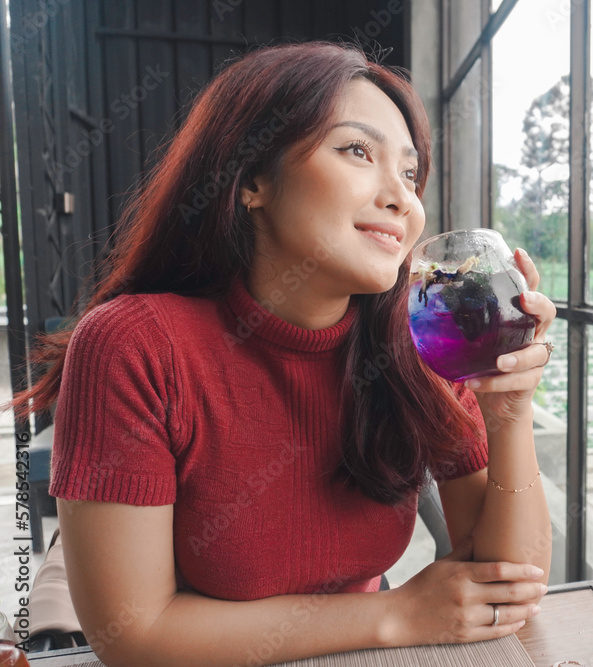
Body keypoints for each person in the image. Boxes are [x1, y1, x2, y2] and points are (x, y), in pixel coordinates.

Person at [8, 42, 553, 666]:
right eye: (356, 151)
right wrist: (394, 614)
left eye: (409, 173)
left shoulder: (418, 339)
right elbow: (132, 637)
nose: (404, 200)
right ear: (253, 181)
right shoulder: (135, 346)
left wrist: (509, 412)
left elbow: (512, 582)